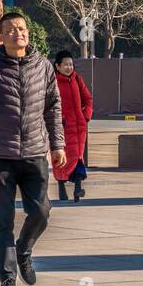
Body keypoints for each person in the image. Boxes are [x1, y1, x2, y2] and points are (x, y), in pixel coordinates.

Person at [0, 12, 65, 286]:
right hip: (0, 155)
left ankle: (24, 248)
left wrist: (57, 144)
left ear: (28, 33)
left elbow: (53, 108)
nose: (17, 33)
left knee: (41, 211)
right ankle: (7, 278)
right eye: (10, 29)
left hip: (35, 153)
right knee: (2, 220)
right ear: (0, 36)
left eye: (21, 28)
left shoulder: (44, 67)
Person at [52, 50, 93, 202]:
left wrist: (86, 116)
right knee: (60, 159)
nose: (69, 67)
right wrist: (57, 120)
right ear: (58, 66)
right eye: (65, 64)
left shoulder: (77, 80)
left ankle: (77, 188)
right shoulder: (53, 83)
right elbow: (48, 105)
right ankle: (61, 188)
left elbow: (88, 99)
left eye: (71, 64)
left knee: (77, 157)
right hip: (61, 128)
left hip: (79, 127)